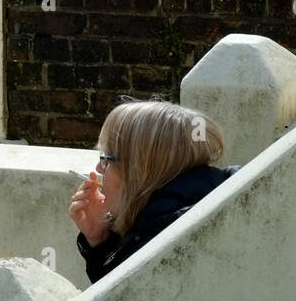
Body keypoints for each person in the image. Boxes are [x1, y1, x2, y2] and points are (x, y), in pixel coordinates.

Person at [70, 98, 239, 284]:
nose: (99, 169)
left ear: (138, 169)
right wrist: (100, 240)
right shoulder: (173, 212)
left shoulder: (165, 233)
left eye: (106, 159)